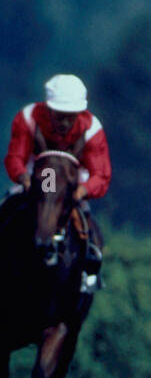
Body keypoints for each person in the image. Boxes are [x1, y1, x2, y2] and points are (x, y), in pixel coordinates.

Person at [4, 74, 111, 291]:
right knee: (9, 205)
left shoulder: (92, 128)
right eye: (59, 116)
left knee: (84, 218)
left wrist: (81, 191)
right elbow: (15, 157)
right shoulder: (28, 118)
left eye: (70, 117)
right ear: (48, 109)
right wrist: (24, 178)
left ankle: (89, 265)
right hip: (39, 172)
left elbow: (100, 174)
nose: (64, 123)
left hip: (72, 178)